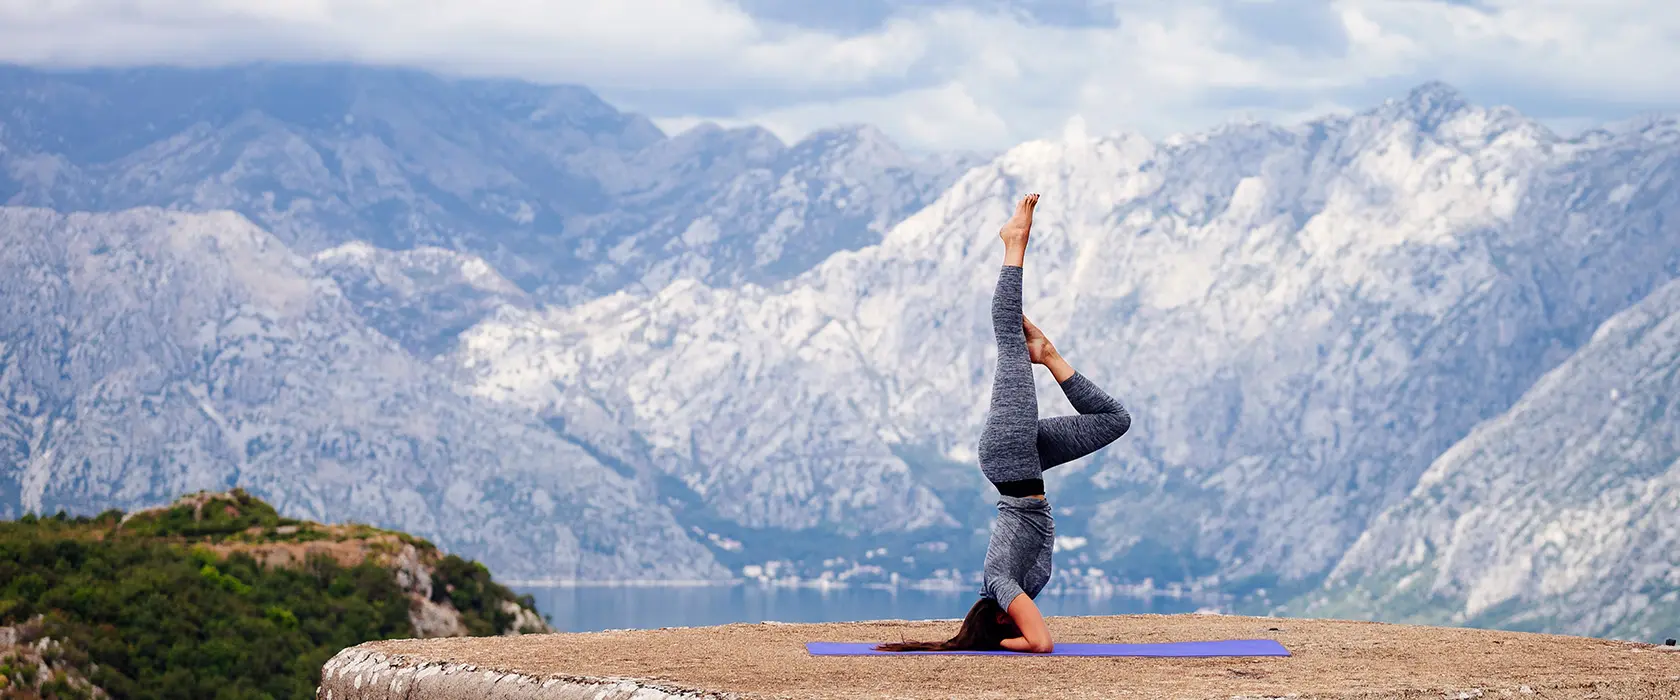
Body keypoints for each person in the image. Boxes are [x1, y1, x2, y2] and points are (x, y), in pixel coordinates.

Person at [877, 193, 1131, 653]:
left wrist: (1005, 644)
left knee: (1008, 338)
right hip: (1025, 467)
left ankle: (1014, 244)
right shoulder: (1002, 589)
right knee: (1115, 420)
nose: (1020, 616)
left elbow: (1042, 644)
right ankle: (1049, 355)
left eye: (1010, 622)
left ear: (999, 619)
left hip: (1011, 461)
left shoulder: (999, 585)